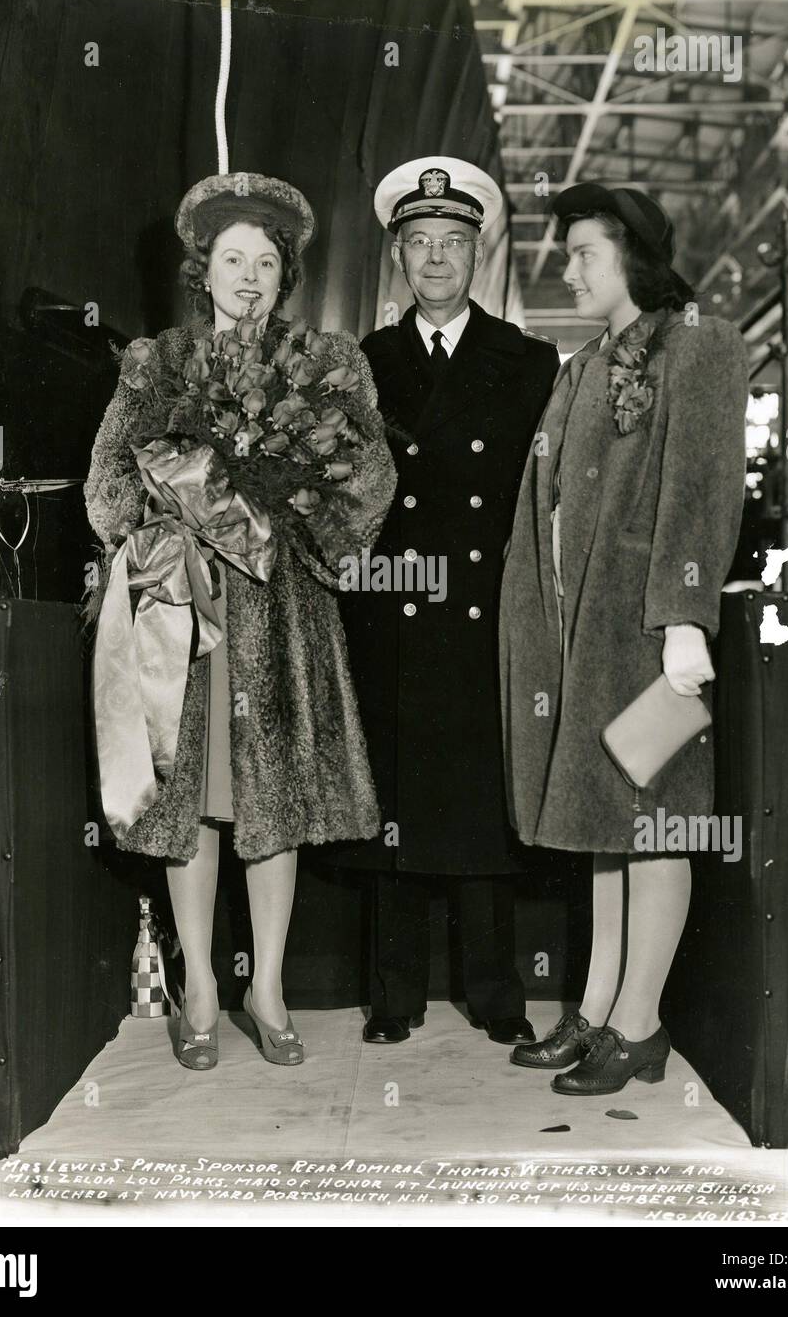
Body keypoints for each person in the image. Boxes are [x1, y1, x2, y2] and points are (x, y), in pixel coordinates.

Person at [84, 173, 396, 1070]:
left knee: (275, 799)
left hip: (285, 616)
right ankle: (203, 989)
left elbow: (370, 481)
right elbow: (108, 488)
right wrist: (183, 531)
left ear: (285, 271)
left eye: (266, 260)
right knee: (193, 797)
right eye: (233, 259)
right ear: (204, 270)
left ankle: (269, 988)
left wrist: (290, 505)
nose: (250, 276)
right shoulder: (158, 363)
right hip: (184, 616)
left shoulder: (329, 365)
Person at [499, 183, 750, 1094]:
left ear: (632, 258)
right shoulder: (580, 367)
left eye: (582, 255)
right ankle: (601, 1007)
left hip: (651, 633)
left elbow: (703, 486)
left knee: (658, 827)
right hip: (584, 634)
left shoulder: (699, 347)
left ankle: (641, 1025)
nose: (566, 270)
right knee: (607, 830)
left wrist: (686, 619)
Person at [335, 156, 560, 1046]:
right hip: (390, 607)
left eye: (453, 244)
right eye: (420, 243)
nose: (436, 260)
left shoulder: (527, 360)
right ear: (397, 257)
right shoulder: (362, 363)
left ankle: (496, 993)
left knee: (479, 800)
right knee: (393, 800)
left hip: (484, 608)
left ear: (478, 257)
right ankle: (396, 996)